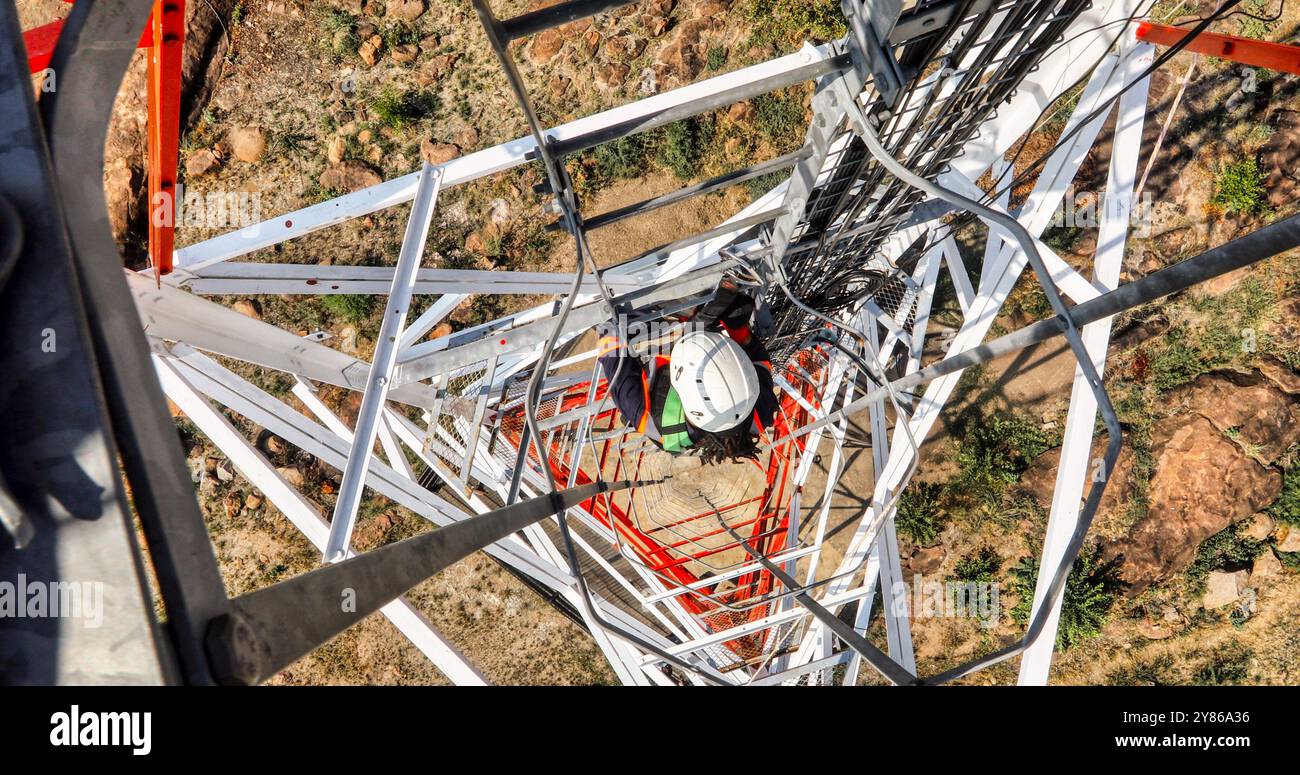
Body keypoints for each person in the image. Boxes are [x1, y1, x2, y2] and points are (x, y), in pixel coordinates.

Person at [596, 279, 777, 464]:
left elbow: (609, 341)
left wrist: (639, 316)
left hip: (660, 334)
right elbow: (759, 360)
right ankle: (696, 318)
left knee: (626, 315)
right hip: (694, 332)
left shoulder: (648, 418)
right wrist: (737, 327)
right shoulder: (758, 408)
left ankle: (685, 316)